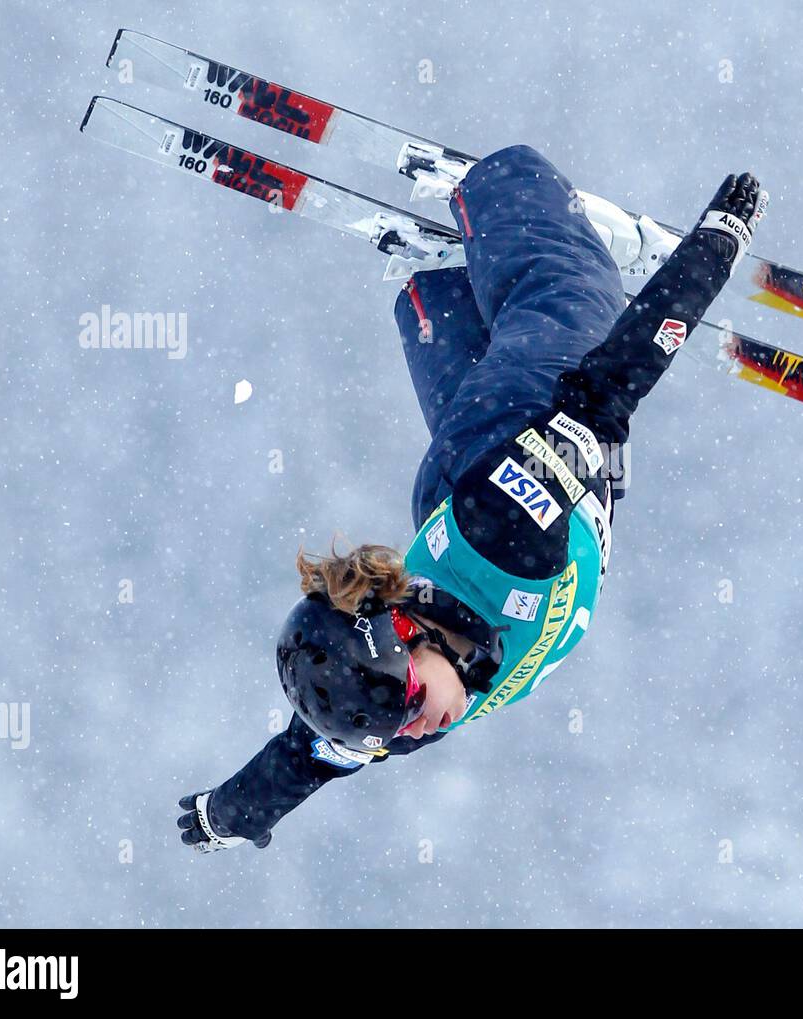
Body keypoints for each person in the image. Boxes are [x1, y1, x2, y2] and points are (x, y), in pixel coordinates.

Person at [177, 145, 766, 851]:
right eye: (397, 729)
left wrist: (714, 248)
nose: (419, 727)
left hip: (534, 423)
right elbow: (307, 759)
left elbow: (619, 379)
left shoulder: (509, 530)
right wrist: (234, 812)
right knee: (485, 366)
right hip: (461, 479)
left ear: (407, 632)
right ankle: (440, 290)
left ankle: (551, 220)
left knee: (573, 293)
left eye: (414, 706)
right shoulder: (385, 711)